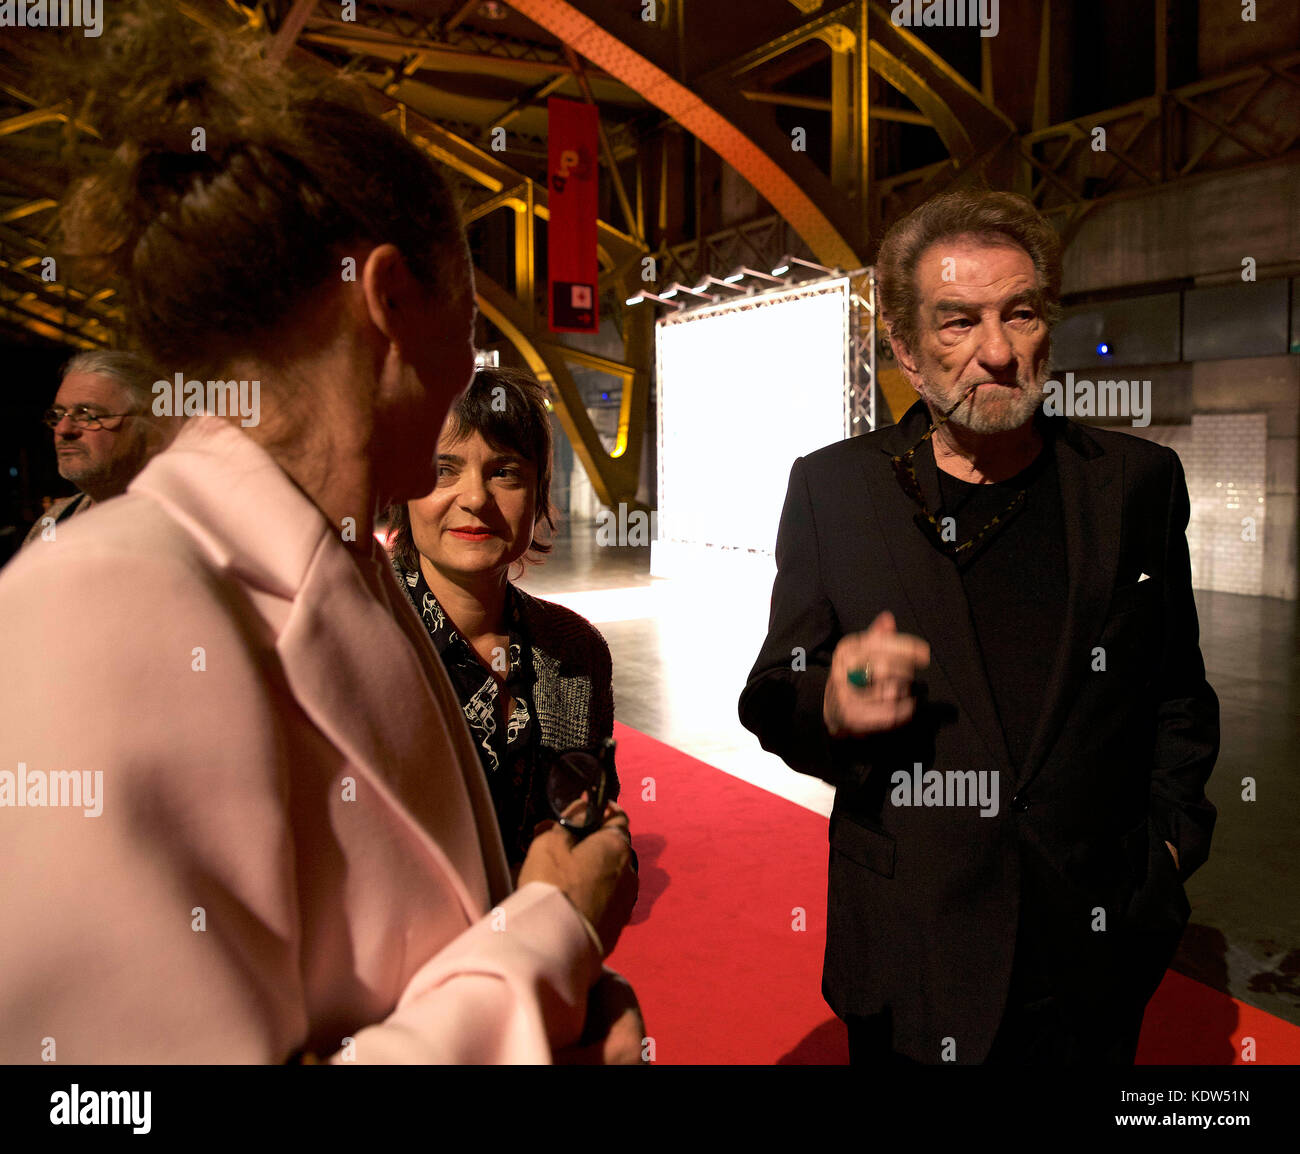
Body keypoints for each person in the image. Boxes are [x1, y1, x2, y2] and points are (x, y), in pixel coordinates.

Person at [0, 3, 639, 1064]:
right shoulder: (91, 608)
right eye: (468, 335)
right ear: (390, 303)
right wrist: (544, 947)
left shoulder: (355, 574)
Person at [738, 188, 1218, 1065]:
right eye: (958, 323)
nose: (996, 352)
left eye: (1021, 314)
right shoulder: (836, 491)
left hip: (1096, 942)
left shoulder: (1137, 482)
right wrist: (833, 701)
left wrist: (1171, 846)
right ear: (908, 353)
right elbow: (774, 691)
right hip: (915, 944)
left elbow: (1177, 693)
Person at [385, 366, 617, 870]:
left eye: (504, 472)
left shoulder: (576, 650)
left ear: (538, 494)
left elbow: (595, 817)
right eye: (442, 470)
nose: (474, 498)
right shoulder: (361, 637)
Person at [21, 349, 176, 548]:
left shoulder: (185, 525)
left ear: (151, 428)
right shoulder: (55, 520)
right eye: (58, 415)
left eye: (88, 416)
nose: (63, 429)